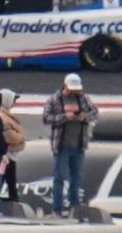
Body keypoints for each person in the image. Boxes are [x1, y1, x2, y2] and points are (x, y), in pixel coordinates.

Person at [42, 73, 99, 216]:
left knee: (76, 177)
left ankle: (75, 208)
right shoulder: (54, 99)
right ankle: (57, 209)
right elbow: (46, 118)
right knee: (60, 177)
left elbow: (95, 113)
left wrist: (84, 117)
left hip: (79, 144)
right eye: (72, 89)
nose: (75, 92)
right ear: (65, 86)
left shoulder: (84, 98)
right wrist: (64, 117)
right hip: (61, 145)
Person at [0, 89, 26, 204]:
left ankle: (12, 198)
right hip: (6, 156)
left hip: (9, 155)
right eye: (13, 100)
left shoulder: (4, 115)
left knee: (9, 181)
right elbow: (10, 136)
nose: (14, 103)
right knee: (4, 180)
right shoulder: (2, 116)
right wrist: (21, 137)